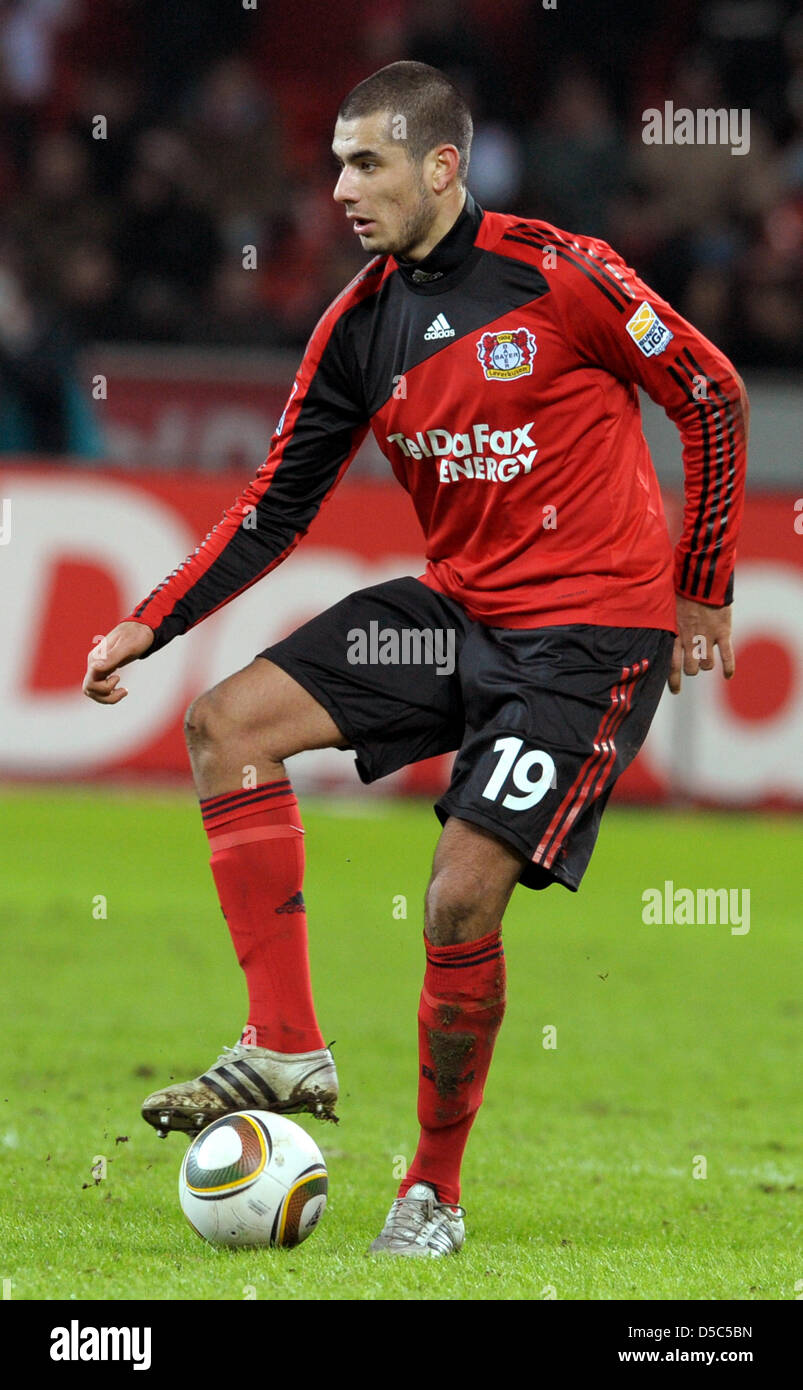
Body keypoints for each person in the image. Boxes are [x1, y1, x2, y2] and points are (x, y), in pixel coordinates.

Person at [83, 61, 749, 1258]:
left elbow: (709, 391)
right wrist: (154, 618)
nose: (340, 188)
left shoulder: (561, 273)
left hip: (589, 639)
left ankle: (429, 1191)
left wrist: (701, 582)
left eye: (367, 163)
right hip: (456, 613)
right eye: (336, 163)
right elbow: (275, 503)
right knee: (226, 726)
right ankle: (284, 1045)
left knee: (453, 897)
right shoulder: (357, 324)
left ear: (440, 167)